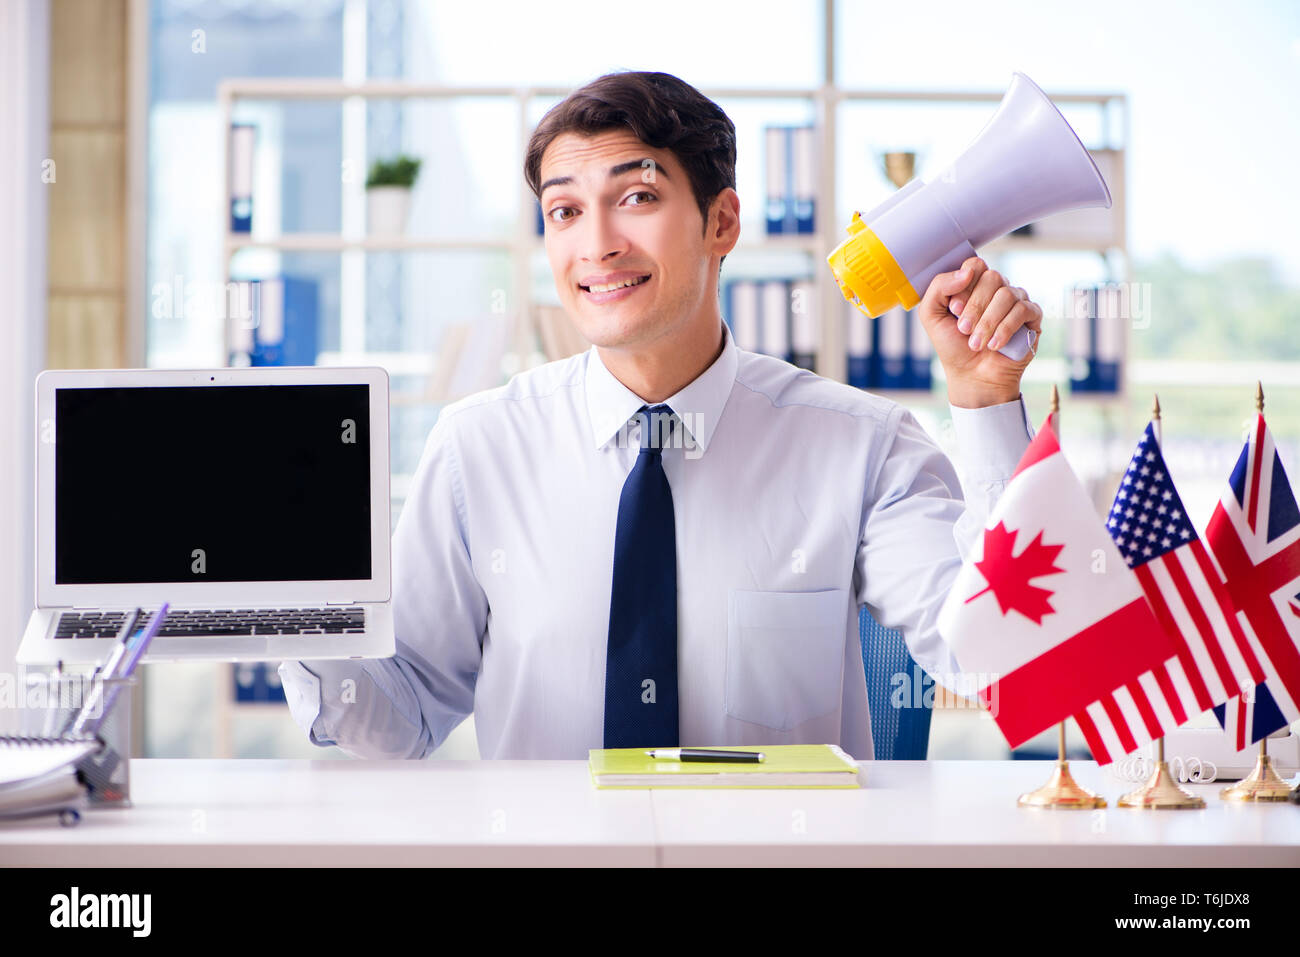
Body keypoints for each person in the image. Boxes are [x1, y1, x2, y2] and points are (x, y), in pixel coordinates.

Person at [278, 71, 1043, 760]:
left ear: (723, 223)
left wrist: (984, 401)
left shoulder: (863, 447)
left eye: (636, 198)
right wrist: (292, 599)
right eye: (565, 211)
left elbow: (1004, 660)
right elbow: (404, 711)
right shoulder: (475, 449)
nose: (597, 245)